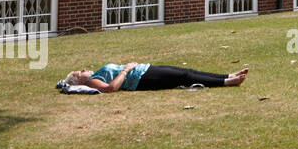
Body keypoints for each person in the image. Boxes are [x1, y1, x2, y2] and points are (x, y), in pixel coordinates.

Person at [63, 64, 248, 92]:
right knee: (184, 77)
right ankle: (227, 82)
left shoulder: (92, 74)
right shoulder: (91, 81)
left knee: (186, 71)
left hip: (145, 69)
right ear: (79, 81)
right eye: (80, 72)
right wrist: (126, 70)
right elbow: (111, 88)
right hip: (141, 79)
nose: (85, 70)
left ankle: (228, 75)